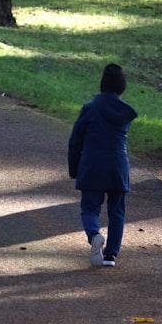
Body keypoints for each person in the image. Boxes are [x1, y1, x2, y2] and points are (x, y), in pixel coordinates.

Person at [67, 63, 138, 267]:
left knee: (89, 208)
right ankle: (111, 255)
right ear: (122, 89)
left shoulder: (89, 109)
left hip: (92, 166)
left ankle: (94, 235)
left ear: (101, 86)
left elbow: (75, 141)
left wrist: (74, 168)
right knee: (117, 211)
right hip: (118, 165)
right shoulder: (125, 113)